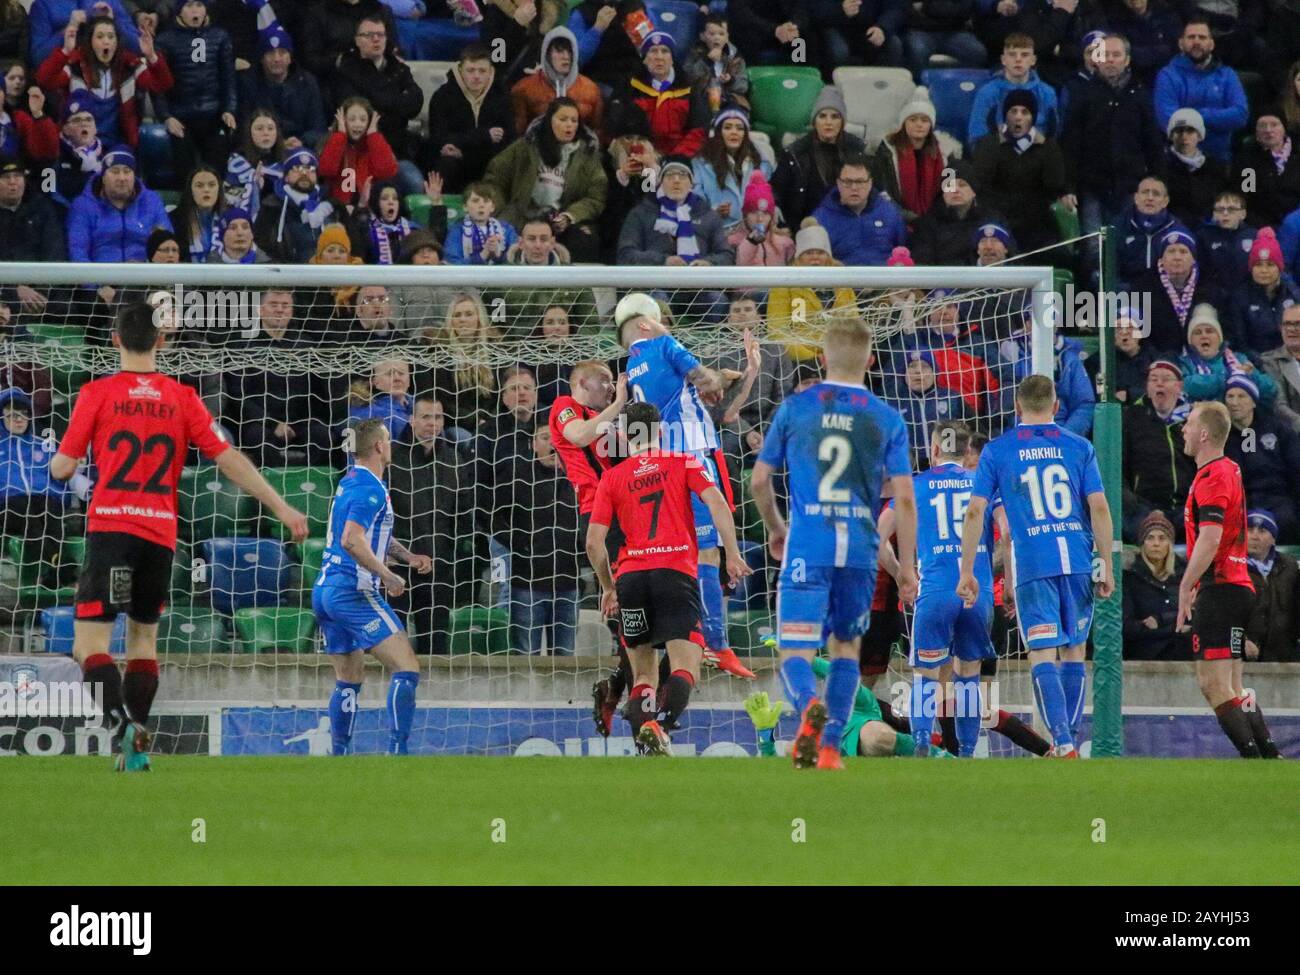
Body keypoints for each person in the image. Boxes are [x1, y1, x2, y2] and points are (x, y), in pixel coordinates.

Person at [49, 301, 308, 772]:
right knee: (143, 643)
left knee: (90, 646)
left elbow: (64, 468)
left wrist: (59, 462)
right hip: (159, 537)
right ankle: (133, 755)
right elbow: (227, 458)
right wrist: (281, 505)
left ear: (115, 340)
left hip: (113, 531)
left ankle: (123, 725)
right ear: (162, 342)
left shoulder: (97, 393)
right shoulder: (182, 397)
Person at [750, 313, 916, 770]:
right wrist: (907, 568)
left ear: (823, 357)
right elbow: (905, 499)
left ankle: (808, 709)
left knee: (795, 651)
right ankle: (828, 752)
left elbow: (760, 481)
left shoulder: (798, 408)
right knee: (847, 649)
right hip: (861, 551)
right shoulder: (885, 417)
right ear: (870, 358)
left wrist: (776, 528)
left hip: (809, 543)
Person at [958, 374, 1115, 757]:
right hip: (1077, 559)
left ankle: (1062, 742)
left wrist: (966, 570)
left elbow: (977, 510)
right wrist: (1106, 561)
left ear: (1017, 406)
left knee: (1043, 653)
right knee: (1075, 651)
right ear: (1057, 406)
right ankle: (1071, 742)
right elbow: (1099, 507)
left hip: (1034, 563)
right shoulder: (1079, 446)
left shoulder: (998, 450)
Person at [586, 400, 750, 755]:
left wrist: (608, 586)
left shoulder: (612, 477)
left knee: (643, 674)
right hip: (674, 573)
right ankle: (658, 728)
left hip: (631, 579)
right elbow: (717, 502)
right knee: (687, 664)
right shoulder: (683, 461)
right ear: (660, 431)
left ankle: (647, 740)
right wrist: (732, 554)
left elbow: (593, 542)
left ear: (624, 437)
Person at [614, 291, 756, 679]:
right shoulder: (664, 342)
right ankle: (717, 644)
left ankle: (685, 638)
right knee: (706, 557)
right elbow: (705, 381)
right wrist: (724, 374)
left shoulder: (631, 365)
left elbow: (693, 393)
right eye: (660, 321)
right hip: (689, 457)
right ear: (647, 323)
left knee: (682, 557)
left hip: (655, 466)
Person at [313, 419, 432, 756]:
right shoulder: (371, 489)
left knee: (348, 678)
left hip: (325, 590)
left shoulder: (351, 480)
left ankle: (340, 754)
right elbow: (352, 540)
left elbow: (368, 533)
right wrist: (389, 576)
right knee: (406, 667)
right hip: (352, 591)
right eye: (388, 440)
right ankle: (398, 752)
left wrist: (406, 556)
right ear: (379, 446)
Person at [1177, 400, 1279, 757]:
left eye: (1188, 424)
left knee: (1213, 684)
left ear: (1204, 433)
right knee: (1234, 686)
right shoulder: (1230, 468)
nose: (1184, 431)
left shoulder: (1213, 475)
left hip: (1220, 590)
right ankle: (1270, 754)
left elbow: (1211, 536)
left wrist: (1186, 583)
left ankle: (1252, 758)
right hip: (1238, 587)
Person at [901, 422, 1001, 756]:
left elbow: (880, 533)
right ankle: (968, 752)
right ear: (968, 451)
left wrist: (903, 571)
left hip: (936, 589)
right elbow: (1009, 533)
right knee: (969, 673)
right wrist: (1003, 576)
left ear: (933, 450)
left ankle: (920, 744)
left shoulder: (916, 486)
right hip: (977, 591)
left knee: (927, 674)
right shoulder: (982, 485)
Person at [549, 359, 628, 732]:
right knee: (628, 606)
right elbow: (578, 436)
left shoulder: (608, 418)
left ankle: (617, 687)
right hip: (599, 510)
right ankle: (623, 692)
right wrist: (618, 405)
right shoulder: (565, 406)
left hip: (626, 507)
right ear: (583, 382)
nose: (612, 388)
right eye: (606, 381)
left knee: (640, 610)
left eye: (614, 384)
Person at [389, 393, 477, 655]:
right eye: (426, 416)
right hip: (398, 565)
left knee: (436, 641)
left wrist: (454, 553)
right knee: (395, 639)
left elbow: (462, 512)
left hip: (439, 563)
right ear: (411, 419)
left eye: (438, 417)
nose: (433, 423)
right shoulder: (391, 458)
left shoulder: (453, 459)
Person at [1062, 33, 1164, 245]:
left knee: (1125, 244)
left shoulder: (1140, 95)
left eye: (1116, 54)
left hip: (1130, 185)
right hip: (1091, 185)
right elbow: (1070, 143)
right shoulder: (1082, 94)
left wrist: (1157, 180)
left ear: (1127, 60)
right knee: (1093, 247)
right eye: (1105, 54)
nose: (1110, 59)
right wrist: (1068, 187)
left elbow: (1152, 141)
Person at [483, 96, 607, 262]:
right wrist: (497, 210)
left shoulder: (588, 155)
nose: (569, 124)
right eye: (563, 119)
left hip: (561, 222)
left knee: (584, 241)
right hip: (520, 216)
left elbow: (596, 196)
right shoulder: (525, 146)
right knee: (495, 237)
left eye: (574, 120)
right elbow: (495, 177)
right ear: (550, 121)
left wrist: (570, 216)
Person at [493, 423, 581, 655]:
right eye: (545, 438)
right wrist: (518, 543)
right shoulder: (517, 476)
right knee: (525, 657)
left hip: (568, 584)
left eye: (558, 439)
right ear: (533, 444)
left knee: (564, 659)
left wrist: (581, 554)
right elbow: (490, 515)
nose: (552, 444)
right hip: (528, 585)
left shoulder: (578, 479)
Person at [35, 14, 171, 149]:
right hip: (80, 142)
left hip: (119, 141)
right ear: (90, 41)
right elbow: (45, 80)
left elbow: (161, 84)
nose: (106, 41)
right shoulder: (75, 64)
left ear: (117, 42)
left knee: (121, 168)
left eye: (111, 37)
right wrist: (65, 51)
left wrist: (151, 56)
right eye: (100, 37)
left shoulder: (130, 65)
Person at [970, 87, 1069, 254]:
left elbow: (1054, 184)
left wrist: (1048, 147)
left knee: (1061, 256)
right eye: (1013, 111)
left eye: (1025, 112)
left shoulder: (1046, 146)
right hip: (998, 219)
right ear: (1005, 115)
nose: (1018, 117)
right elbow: (981, 181)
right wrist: (997, 142)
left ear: (1033, 118)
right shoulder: (988, 144)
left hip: (1035, 222)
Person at [154, 0, 236, 173]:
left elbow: (228, 78)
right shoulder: (165, 40)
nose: (195, 11)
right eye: (189, 6)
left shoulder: (220, 37)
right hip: (181, 117)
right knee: (185, 169)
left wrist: (229, 109)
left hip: (213, 115)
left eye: (199, 5)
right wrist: (166, 116)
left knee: (218, 166)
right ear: (179, 11)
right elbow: (158, 84)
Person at [1153, 19, 1249, 165]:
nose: (1196, 42)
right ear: (1181, 43)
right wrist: (1217, 119)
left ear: (1211, 44)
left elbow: (1240, 115)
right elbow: (1168, 120)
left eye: (1202, 37)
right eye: (1191, 37)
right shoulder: (1167, 75)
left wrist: (1197, 115)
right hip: (1178, 163)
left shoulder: (1227, 74)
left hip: (1220, 160)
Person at [770, 86, 866, 230]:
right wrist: (774, 209)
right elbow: (775, 190)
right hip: (803, 226)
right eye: (822, 116)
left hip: (848, 224)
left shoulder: (857, 150)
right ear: (814, 121)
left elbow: (874, 191)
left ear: (842, 122)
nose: (828, 122)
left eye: (835, 116)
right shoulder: (795, 153)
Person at [1122, 358, 1195, 542]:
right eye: (1153, 379)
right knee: (1150, 532)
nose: (1159, 383)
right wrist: (1139, 507)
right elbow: (1118, 471)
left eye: (1166, 378)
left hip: (1186, 506)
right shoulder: (1131, 417)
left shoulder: (1194, 418)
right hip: (1143, 507)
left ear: (1179, 386)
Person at [425, 42, 514, 192]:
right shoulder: (443, 96)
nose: (476, 76)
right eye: (471, 70)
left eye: (482, 71)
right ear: (460, 70)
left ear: (491, 71)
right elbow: (439, 138)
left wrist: (465, 153)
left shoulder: (501, 96)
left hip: (488, 161)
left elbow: (508, 139)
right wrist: (484, 136)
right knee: (446, 163)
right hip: (455, 163)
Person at [1224, 373, 1300, 542]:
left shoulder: (1278, 430)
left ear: (1253, 401)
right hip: (1236, 503)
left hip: (1275, 499)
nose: (1234, 402)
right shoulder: (1220, 434)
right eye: (1230, 396)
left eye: (1241, 396)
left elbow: (1296, 469)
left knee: (1288, 520)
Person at [235, 26, 327, 152]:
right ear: (261, 58)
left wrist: (302, 141)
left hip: (301, 148)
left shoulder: (307, 82)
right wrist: (278, 144)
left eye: (282, 52)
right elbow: (244, 127)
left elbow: (318, 126)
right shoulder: (248, 83)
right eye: (270, 53)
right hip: (262, 150)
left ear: (290, 57)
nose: (277, 59)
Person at [623, 30, 707, 158]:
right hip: (643, 155)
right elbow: (624, 128)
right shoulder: (631, 87)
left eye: (665, 51)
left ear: (672, 59)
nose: (659, 57)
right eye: (653, 51)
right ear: (644, 59)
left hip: (681, 156)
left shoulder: (688, 87)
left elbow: (698, 129)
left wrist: (677, 157)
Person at [810, 154, 907, 266]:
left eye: (860, 182)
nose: (854, 188)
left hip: (885, 280)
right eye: (847, 182)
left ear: (870, 183)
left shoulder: (890, 213)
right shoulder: (820, 219)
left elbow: (903, 252)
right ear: (838, 183)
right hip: (841, 281)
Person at [967, 33, 1061, 146]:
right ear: (1003, 59)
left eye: (1024, 55)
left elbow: (1052, 137)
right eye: (1012, 54)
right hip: (998, 157)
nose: (1018, 60)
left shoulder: (1047, 93)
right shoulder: (987, 93)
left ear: (1033, 60)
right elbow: (976, 138)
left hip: (1036, 156)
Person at [870, 88, 946, 226]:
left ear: (931, 124)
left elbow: (950, 190)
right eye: (912, 119)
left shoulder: (947, 154)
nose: (919, 124)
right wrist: (912, 218)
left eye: (924, 120)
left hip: (935, 221)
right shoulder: (885, 153)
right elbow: (881, 193)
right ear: (903, 123)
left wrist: (933, 218)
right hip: (894, 219)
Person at [1122, 509, 1191, 660]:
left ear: (1170, 544)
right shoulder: (1131, 578)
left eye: (1162, 538)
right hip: (1145, 650)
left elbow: (1194, 614)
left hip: (1180, 647)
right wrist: (1176, 628)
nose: (1156, 544)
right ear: (1143, 543)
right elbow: (1129, 627)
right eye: (1150, 538)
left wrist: (1160, 619)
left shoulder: (1184, 576)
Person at [510, 26, 604, 136]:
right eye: (559, 51)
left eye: (570, 51)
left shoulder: (591, 90)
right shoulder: (523, 89)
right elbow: (517, 134)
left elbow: (598, 131)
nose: (566, 56)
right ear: (547, 55)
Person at [253, 146, 335, 263]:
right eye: (297, 168)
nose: (304, 173)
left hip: (323, 275)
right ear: (286, 177)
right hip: (283, 276)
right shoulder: (271, 206)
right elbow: (261, 245)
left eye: (310, 169)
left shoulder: (328, 205)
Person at [318, 97, 398, 208]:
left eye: (363, 119)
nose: (357, 124)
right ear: (343, 120)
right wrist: (340, 135)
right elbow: (326, 169)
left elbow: (388, 172)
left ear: (369, 122)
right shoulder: (334, 141)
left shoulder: (375, 144)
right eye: (352, 119)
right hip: (338, 208)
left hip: (369, 208)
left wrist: (373, 136)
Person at [1244, 509, 1300, 663]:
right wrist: (1239, 641)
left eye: (1262, 531)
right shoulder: (1231, 566)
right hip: (1243, 656)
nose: (1254, 536)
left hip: (1283, 656)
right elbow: (1222, 611)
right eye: (1249, 529)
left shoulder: (1290, 567)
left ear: (1273, 539)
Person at [1159, 107, 1227, 229]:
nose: (1184, 136)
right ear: (1171, 135)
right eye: (1179, 131)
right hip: (1172, 229)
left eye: (1190, 131)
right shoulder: (1161, 166)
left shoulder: (1216, 167)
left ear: (1199, 135)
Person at [1113, 175, 1187, 285]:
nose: (1150, 198)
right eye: (1145, 192)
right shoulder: (1119, 225)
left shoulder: (1177, 229)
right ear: (1136, 198)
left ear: (1165, 201)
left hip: (1165, 290)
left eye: (1156, 194)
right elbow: (1111, 269)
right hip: (1128, 290)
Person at [1233, 110, 1300, 229]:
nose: (1268, 130)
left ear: (1284, 128)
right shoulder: (1247, 160)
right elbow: (1246, 196)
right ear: (1256, 132)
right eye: (1262, 126)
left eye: (1274, 124)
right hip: (1260, 226)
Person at [442, 181, 518, 265]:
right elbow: (451, 262)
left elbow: (517, 259)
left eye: (486, 201)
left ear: (492, 207)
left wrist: (499, 255)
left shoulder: (506, 229)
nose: (481, 205)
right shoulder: (457, 231)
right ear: (465, 207)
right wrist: (482, 256)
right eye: (475, 201)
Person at [1259, 303, 1300, 433]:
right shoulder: (1269, 361)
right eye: (1287, 324)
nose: (1292, 329)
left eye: (1298, 324)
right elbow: (1279, 406)